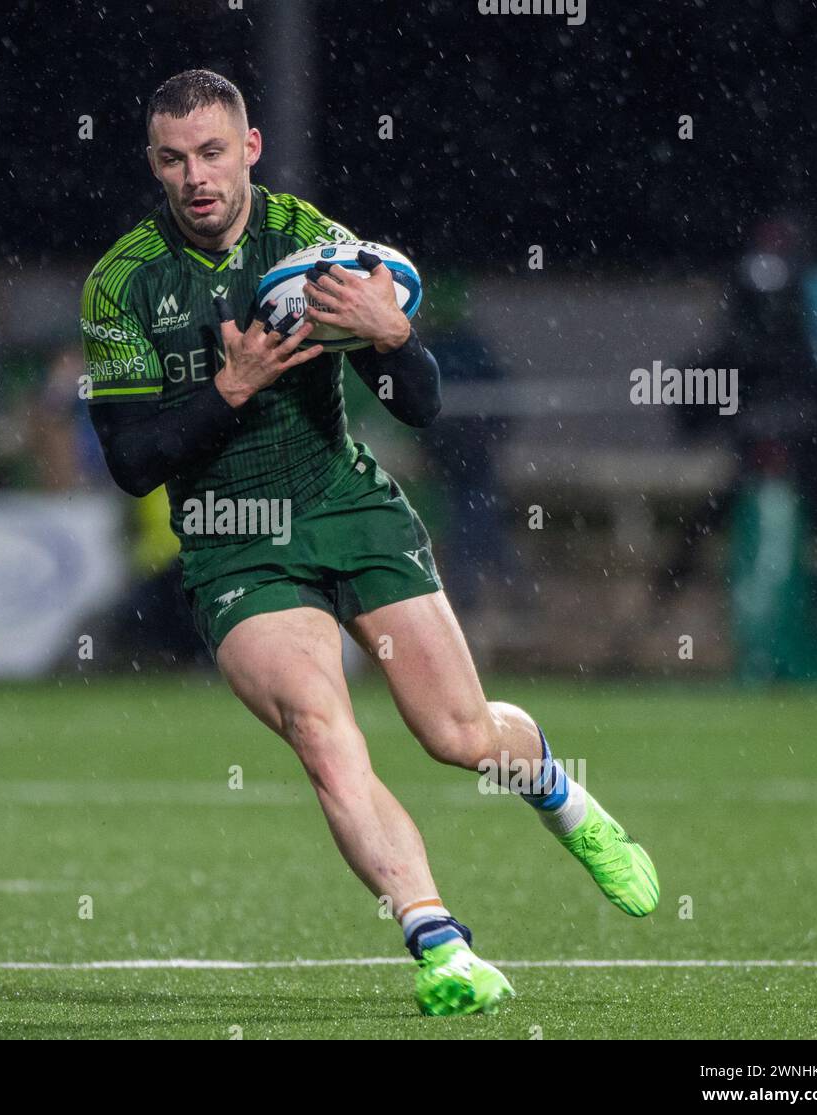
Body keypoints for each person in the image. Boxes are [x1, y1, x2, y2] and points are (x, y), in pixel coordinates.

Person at [81, 70, 659, 1017]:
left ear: (250, 149)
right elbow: (132, 462)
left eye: (213, 153)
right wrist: (231, 388)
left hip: (347, 506)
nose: (197, 177)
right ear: (153, 164)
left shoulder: (314, 246)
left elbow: (422, 409)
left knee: (457, 735)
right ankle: (439, 942)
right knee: (324, 730)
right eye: (175, 158)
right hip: (237, 546)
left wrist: (394, 338)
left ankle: (561, 796)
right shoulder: (120, 284)